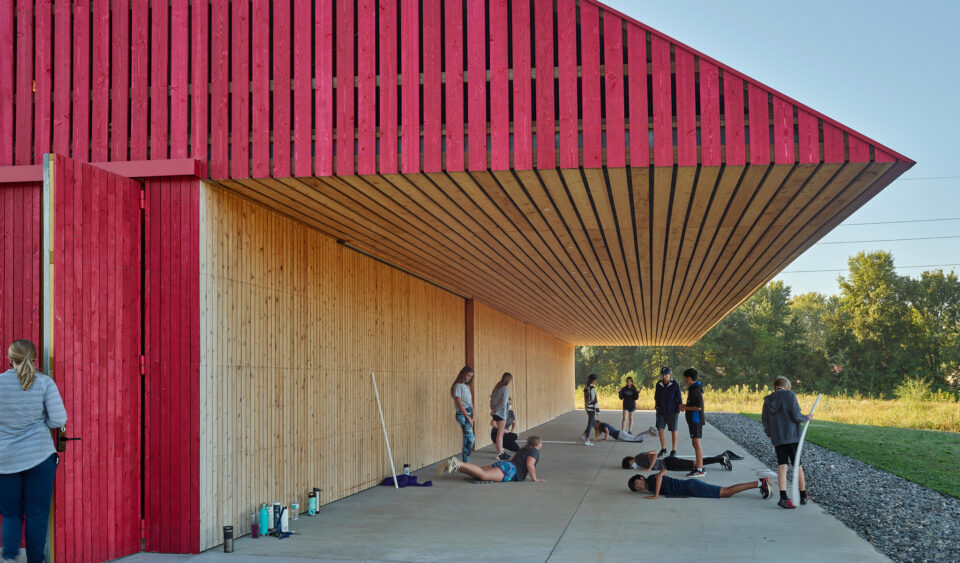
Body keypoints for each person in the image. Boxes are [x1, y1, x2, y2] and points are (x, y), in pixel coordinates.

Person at [0, 340, 68, 563]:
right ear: (35, 359)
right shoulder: (44, 383)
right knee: (36, 514)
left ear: (9, 359)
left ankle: (9, 557)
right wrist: (39, 424)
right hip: (39, 457)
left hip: (6, 459)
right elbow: (59, 419)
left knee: (10, 513)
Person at [761, 376, 813, 509]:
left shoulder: (767, 401)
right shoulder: (789, 396)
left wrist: (773, 435)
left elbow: (765, 422)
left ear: (775, 386)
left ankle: (783, 497)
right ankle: (803, 495)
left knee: (782, 466)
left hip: (778, 438)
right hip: (792, 437)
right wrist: (807, 417)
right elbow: (796, 416)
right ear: (786, 385)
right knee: (797, 466)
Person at [438, 436, 544, 483]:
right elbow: (530, 464)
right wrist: (535, 478)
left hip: (506, 465)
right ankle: (458, 463)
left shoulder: (524, 449)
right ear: (537, 444)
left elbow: (514, 459)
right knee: (484, 476)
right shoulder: (534, 451)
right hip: (510, 470)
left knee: (479, 472)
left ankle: (456, 466)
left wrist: (525, 473)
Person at [628, 470, 772, 501]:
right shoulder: (651, 484)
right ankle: (760, 483)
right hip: (689, 488)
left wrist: (655, 495)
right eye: (636, 488)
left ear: (641, 477)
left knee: (726, 492)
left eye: (637, 482)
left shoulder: (651, 480)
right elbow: (663, 473)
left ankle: (761, 483)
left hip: (690, 487)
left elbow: (660, 475)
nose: (639, 486)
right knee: (725, 492)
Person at [679, 368, 705, 477]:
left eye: (685, 379)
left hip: (696, 420)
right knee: (695, 443)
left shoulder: (695, 390)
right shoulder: (693, 389)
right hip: (693, 421)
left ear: (689, 378)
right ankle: (699, 467)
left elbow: (698, 407)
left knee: (697, 444)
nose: (685, 381)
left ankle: (700, 469)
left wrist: (685, 407)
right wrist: (685, 406)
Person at [653, 367, 682, 458]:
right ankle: (663, 449)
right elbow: (656, 396)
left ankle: (673, 450)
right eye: (663, 374)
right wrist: (657, 405)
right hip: (661, 411)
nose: (664, 376)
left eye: (666, 374)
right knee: (660, 429)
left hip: (672, 411)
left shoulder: (675, 384)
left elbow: (679, 398)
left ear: (670, 374)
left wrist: (678, 408)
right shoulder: (659, 384)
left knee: (673, 430)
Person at [622, 450, 737, 472]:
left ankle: (721, 458)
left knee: (697, 464)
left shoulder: (639, 457)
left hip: (669, 463)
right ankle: (719, 458)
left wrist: (650, 468)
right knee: (696, 465)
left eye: (631, 466)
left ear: (630, 461)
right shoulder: (639, 460)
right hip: (669, 465)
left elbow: (654, 453)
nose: (633, 467)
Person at [450, 366, 475, 462]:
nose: (469, 378)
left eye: (471, 376)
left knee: (466, 438)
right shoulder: (458, 386)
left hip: (468, 413)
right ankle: (466, 461)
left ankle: (466, 462)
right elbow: (459, 402)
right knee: (471, 439)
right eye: (468, 375)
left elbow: (471, 403)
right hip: (462, 414)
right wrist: (468, 417)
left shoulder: (467, 386)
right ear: (463, 374)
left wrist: (473, 416)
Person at [489, 372, 512, 460]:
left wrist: (493, 407)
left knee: (499, 432)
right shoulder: (505, 389)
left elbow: (491, 398)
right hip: (501, 413)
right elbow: (503, 402)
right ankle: (500, 453)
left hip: (495, 413)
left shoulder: (497, 387)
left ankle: (501, 450)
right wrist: (497, 408)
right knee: (500, 433)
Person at [579, 374, 599, 446]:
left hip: (588, 408)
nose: (596, 381)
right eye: (596, 380)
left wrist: (586, 408)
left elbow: (585, 400)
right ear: (593, 380)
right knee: (591, 423)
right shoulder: (592, 388)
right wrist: (597, 409)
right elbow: (594, 400)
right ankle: (587, 440)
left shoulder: (587, 388)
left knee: (593, 422)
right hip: (591, 409)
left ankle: (584, 435)